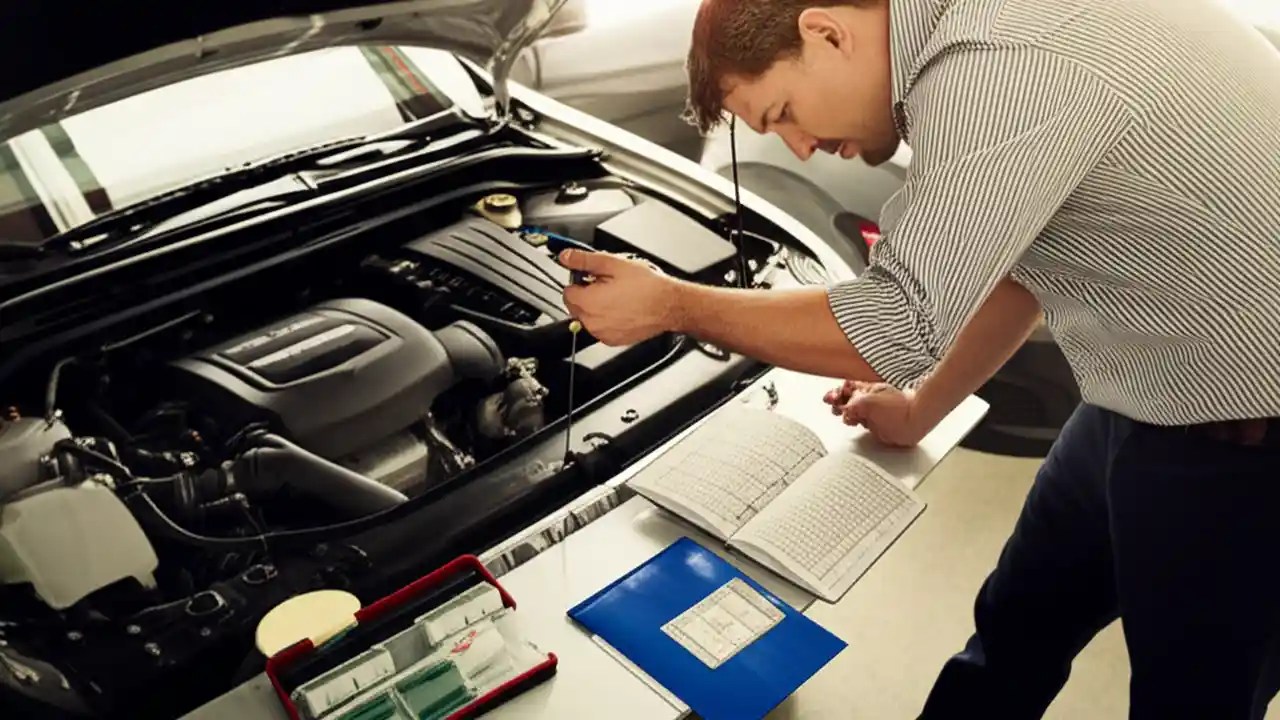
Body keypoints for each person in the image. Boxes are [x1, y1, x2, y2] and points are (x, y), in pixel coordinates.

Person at [555, 0, 1280, 717]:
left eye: (781, 114)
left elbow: (897, 322)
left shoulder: (1000, 65)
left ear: (826, 33)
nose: (799, 146)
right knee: (1015, 625)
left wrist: (673, 306)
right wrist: (920, 405)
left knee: (1193, 702)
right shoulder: (971, 33)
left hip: (1248, 429)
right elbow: (1019, 261)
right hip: (1145, 383)